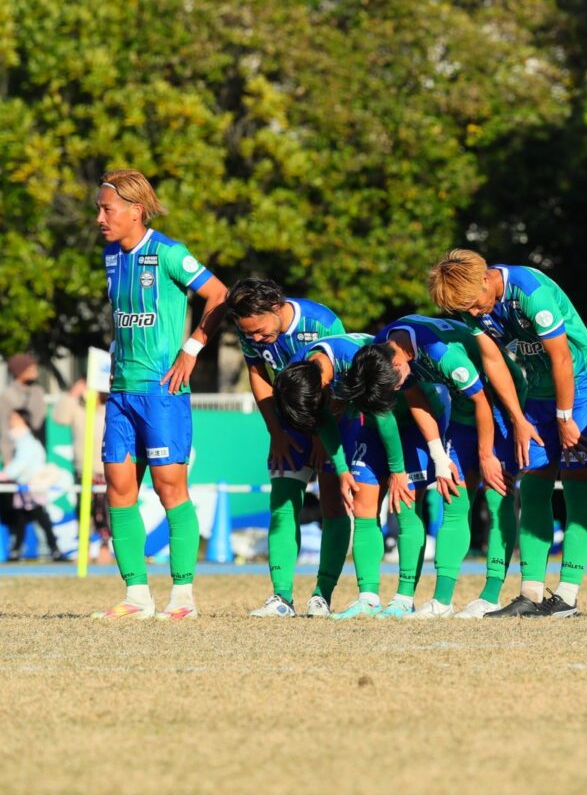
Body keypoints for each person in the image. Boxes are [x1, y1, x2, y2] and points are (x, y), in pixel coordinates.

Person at [428, 250, 587, 619]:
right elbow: (495, 362)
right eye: (466, 310)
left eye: (474, 305)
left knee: (576, 482)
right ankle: (530, 593)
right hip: (539, 392)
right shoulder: (471, 305)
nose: (474, 314)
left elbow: (562, 357)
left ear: (484, 279)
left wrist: (564, 417)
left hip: (582, 387)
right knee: (533, 484)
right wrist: (518, 419)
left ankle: (568, 596)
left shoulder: (530, 290)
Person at [91, 169, 228, 620]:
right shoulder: (111, 255)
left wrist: (192, 350)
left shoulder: (169, 253)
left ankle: (183, 596)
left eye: (106, 209)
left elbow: (220, 295)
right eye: (99, 208)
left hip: (163, 392)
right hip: (122, 393)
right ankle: (137, 596)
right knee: (117, 487)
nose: (99, 218)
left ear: (136, 211)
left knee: (171, 488)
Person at [349, 315, 525, 617]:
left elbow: (483, 402)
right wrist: (440, 458)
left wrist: (486, 456)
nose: (395, 389)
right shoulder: (384, 347)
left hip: (500, 405)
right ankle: (442, 601)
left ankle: (491, 595)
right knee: (453, 497)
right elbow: (415, 396)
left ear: (397, 364)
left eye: (394, 383)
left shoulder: (441, 353)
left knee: (497, 495)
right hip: (463, 407)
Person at [226, 278, 350, 618]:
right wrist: (276, 432)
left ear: (276, 307)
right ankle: (281, 597)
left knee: (332, 505)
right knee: (281, 504)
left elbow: (338, 382)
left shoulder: (321, 322)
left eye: (260, 331)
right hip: (288, 424)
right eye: (247, 334)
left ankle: (322, 595)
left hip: (330, 420)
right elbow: (258, 373)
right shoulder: (248, 327)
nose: (255, 339)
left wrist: (325, 439)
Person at [277, 332, 424, 618]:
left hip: (408, 416)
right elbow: (323, 418)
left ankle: (406, 599)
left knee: (404, 502)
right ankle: (368, 599)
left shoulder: (354, 360)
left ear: (323, 384)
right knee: (362, 506)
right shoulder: (300, 371)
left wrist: (397, 471)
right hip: (369, 421)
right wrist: (342, 470)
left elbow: (384, 415)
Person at [2, 409, 66, 561]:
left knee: (38, 516)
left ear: (23, 420)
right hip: (26, 485)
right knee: (23, 518)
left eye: (15, 418)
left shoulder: (27, 441)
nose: (11, 421)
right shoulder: (21, 440)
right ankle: (18, 550)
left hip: (32, 485)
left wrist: (5, 474)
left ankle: (53, 549)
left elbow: (21, 464)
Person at [1, 353, 47, 464]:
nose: (35, 370)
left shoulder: (37, 391)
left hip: (36, 452)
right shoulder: (8, 395)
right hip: (15, 454)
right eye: (30, 367)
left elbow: (38, 422)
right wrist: (8, 459)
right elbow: (4, 429)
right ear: (20, 370)